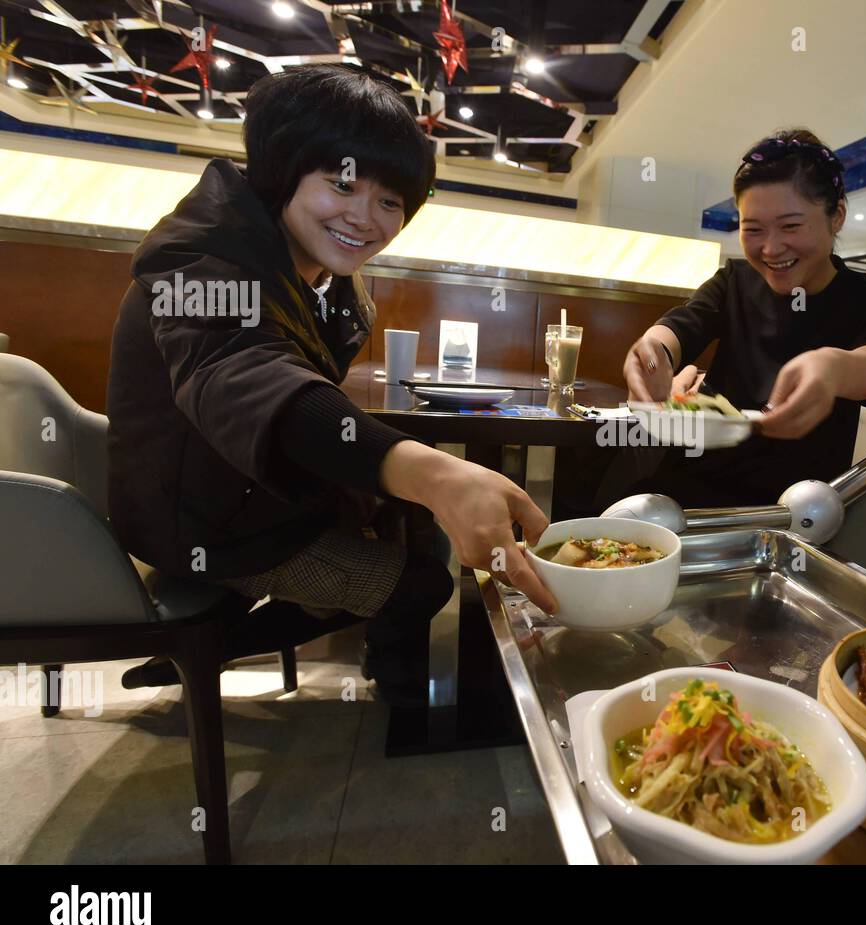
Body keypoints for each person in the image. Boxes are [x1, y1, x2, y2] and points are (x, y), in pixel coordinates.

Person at [106, 65, 555, 706]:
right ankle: (214, 653)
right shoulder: (201, 260)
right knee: (423, 581)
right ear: (282, 168)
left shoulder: (317, 272)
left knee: (418, 528)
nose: (366, 219)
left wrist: (411, 486)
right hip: (201, 519)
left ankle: (377, 660)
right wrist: (437, 475)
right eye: (342, 184)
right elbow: (246, 376)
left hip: (250, 489)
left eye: (390, 201)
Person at [618, 129, 866, 508]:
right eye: (752, 229)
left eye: (790, 226)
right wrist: (652, 353)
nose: (771, 249)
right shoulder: (734, 282)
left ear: (836, 215)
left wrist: (831, 367)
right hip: (686, 497)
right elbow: (682, 326)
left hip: (791, 514)